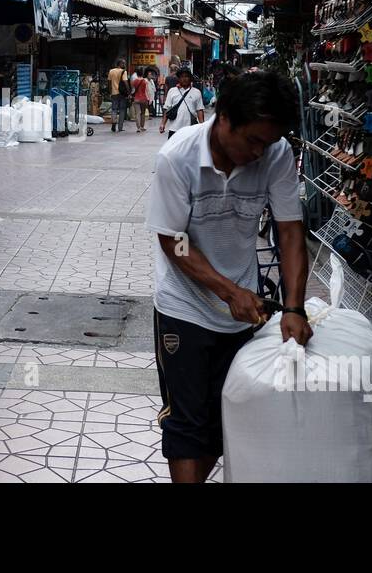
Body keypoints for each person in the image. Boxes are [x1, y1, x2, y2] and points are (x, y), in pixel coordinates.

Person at [146, 71, 311, 483]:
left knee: (225, 420)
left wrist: (295, 308)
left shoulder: (276, 154)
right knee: (187, 425)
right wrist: (228, 292)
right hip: (183, 309)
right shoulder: (177, 157)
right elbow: (172, 241)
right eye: (253, 140)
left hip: (242, 316)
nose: (259, 152)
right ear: (224, 119)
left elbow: (290, 232)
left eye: (267, 143)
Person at [158, 68, 204, 138]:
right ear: (178, 79)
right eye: (182, 77)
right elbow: (167, 108)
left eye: (186, 76)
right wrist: (163, 124)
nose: (184, 79)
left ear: (190, 78)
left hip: (190, 130)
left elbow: (199, 110)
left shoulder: (197, 92)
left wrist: (202, 126)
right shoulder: (172, 91)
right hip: (174, 129)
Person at [107, 58, 129, 133]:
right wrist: (128, 92)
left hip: (114, 93)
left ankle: (113, 123)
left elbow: (109, 82)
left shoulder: (111, 71)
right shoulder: (124, 71)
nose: (124, 65)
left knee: (114, 109)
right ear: (120, 64)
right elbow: (125, 82)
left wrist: (110, 91)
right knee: (122, 110)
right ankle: (120, 127)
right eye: (123, 63)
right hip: (122, 94)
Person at [131, 67, 151, 132]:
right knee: (143, 113)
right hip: (144, 99)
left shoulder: (134, 81)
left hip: (136, 99)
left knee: (137, 113)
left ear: (137, 74)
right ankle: (142, 127)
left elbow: (133, 89)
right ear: (142, 73)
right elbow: (147, 91)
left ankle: (138, 128)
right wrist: (149, 98)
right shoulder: (145, 81)